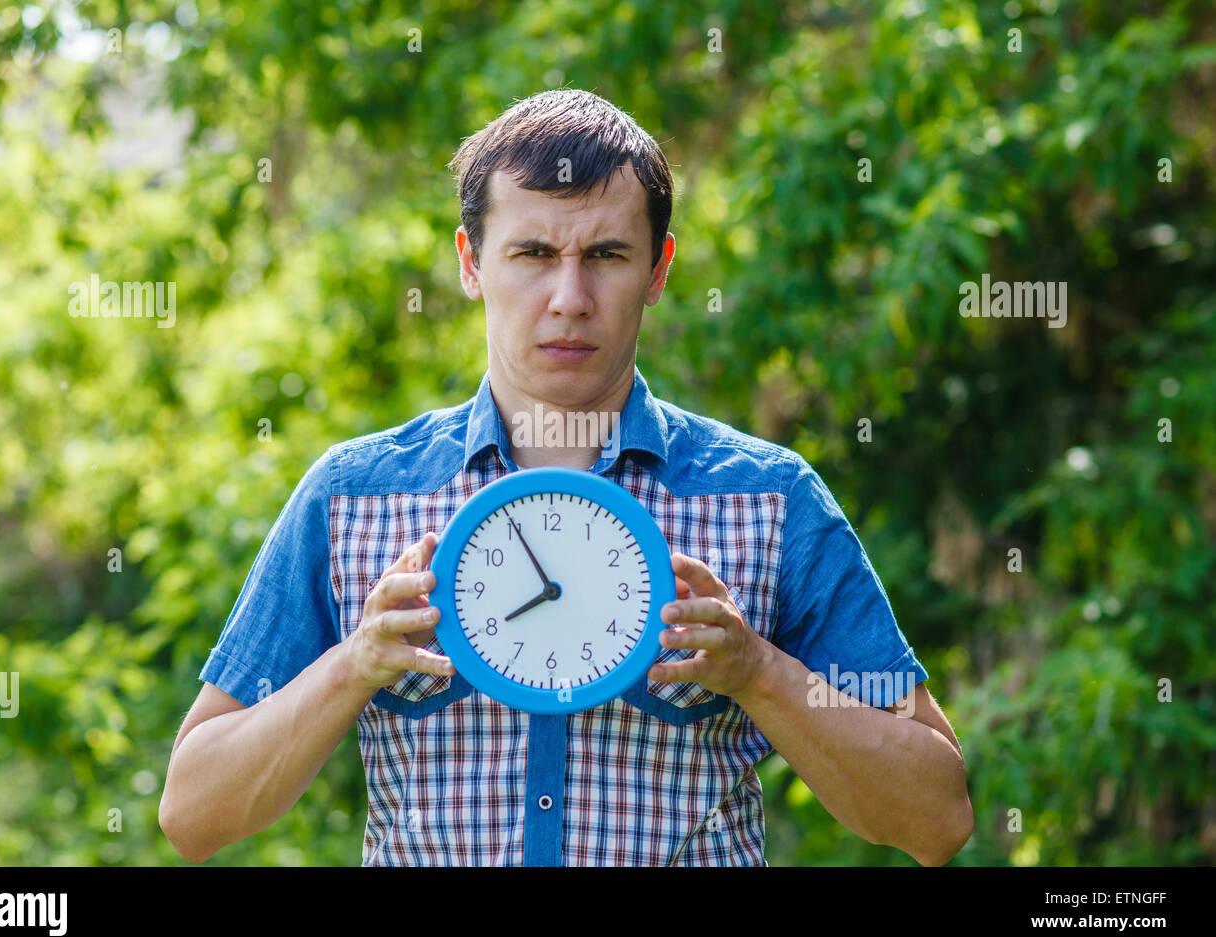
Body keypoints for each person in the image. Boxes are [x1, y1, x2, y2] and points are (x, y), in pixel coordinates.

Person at [158, 89, 973, 866]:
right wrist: (355, 663)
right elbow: (195, 815)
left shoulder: (768, 501)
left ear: (658, 270)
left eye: (608, 255)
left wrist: (758, 673)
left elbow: (935, 821)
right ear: (471, 262)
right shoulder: (354, 497)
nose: (570, 297)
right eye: (534, 254)